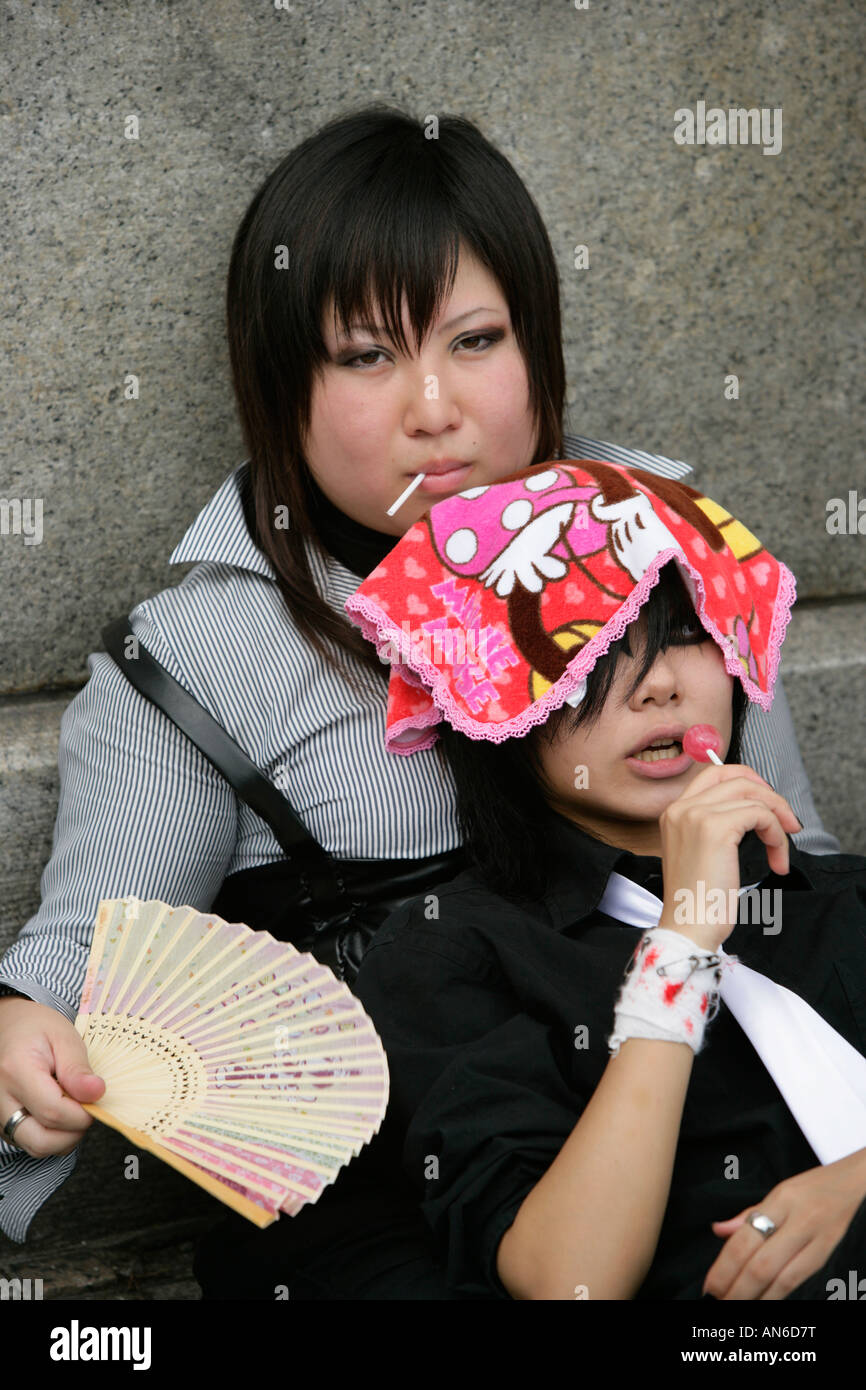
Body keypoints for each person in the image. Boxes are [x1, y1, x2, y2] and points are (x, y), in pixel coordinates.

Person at [0, 106, 838, 1299]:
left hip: (700, 1154)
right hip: (393, 1218)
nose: (432, 406)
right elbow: (85, 959)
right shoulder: (201, 657)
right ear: (278, 380)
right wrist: (24, 1039)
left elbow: (809, 900)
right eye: (365, 354)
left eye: (477, 339)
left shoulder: (667, 549)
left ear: (539, 343)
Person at [346, 462, 866, 1300]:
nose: (662, 684)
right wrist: (682, 945)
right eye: (593, 650)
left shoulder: (844, 898)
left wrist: (853, 1186)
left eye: (688, 636)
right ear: (493, 701)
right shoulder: (454, 954)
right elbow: (568, 1281)